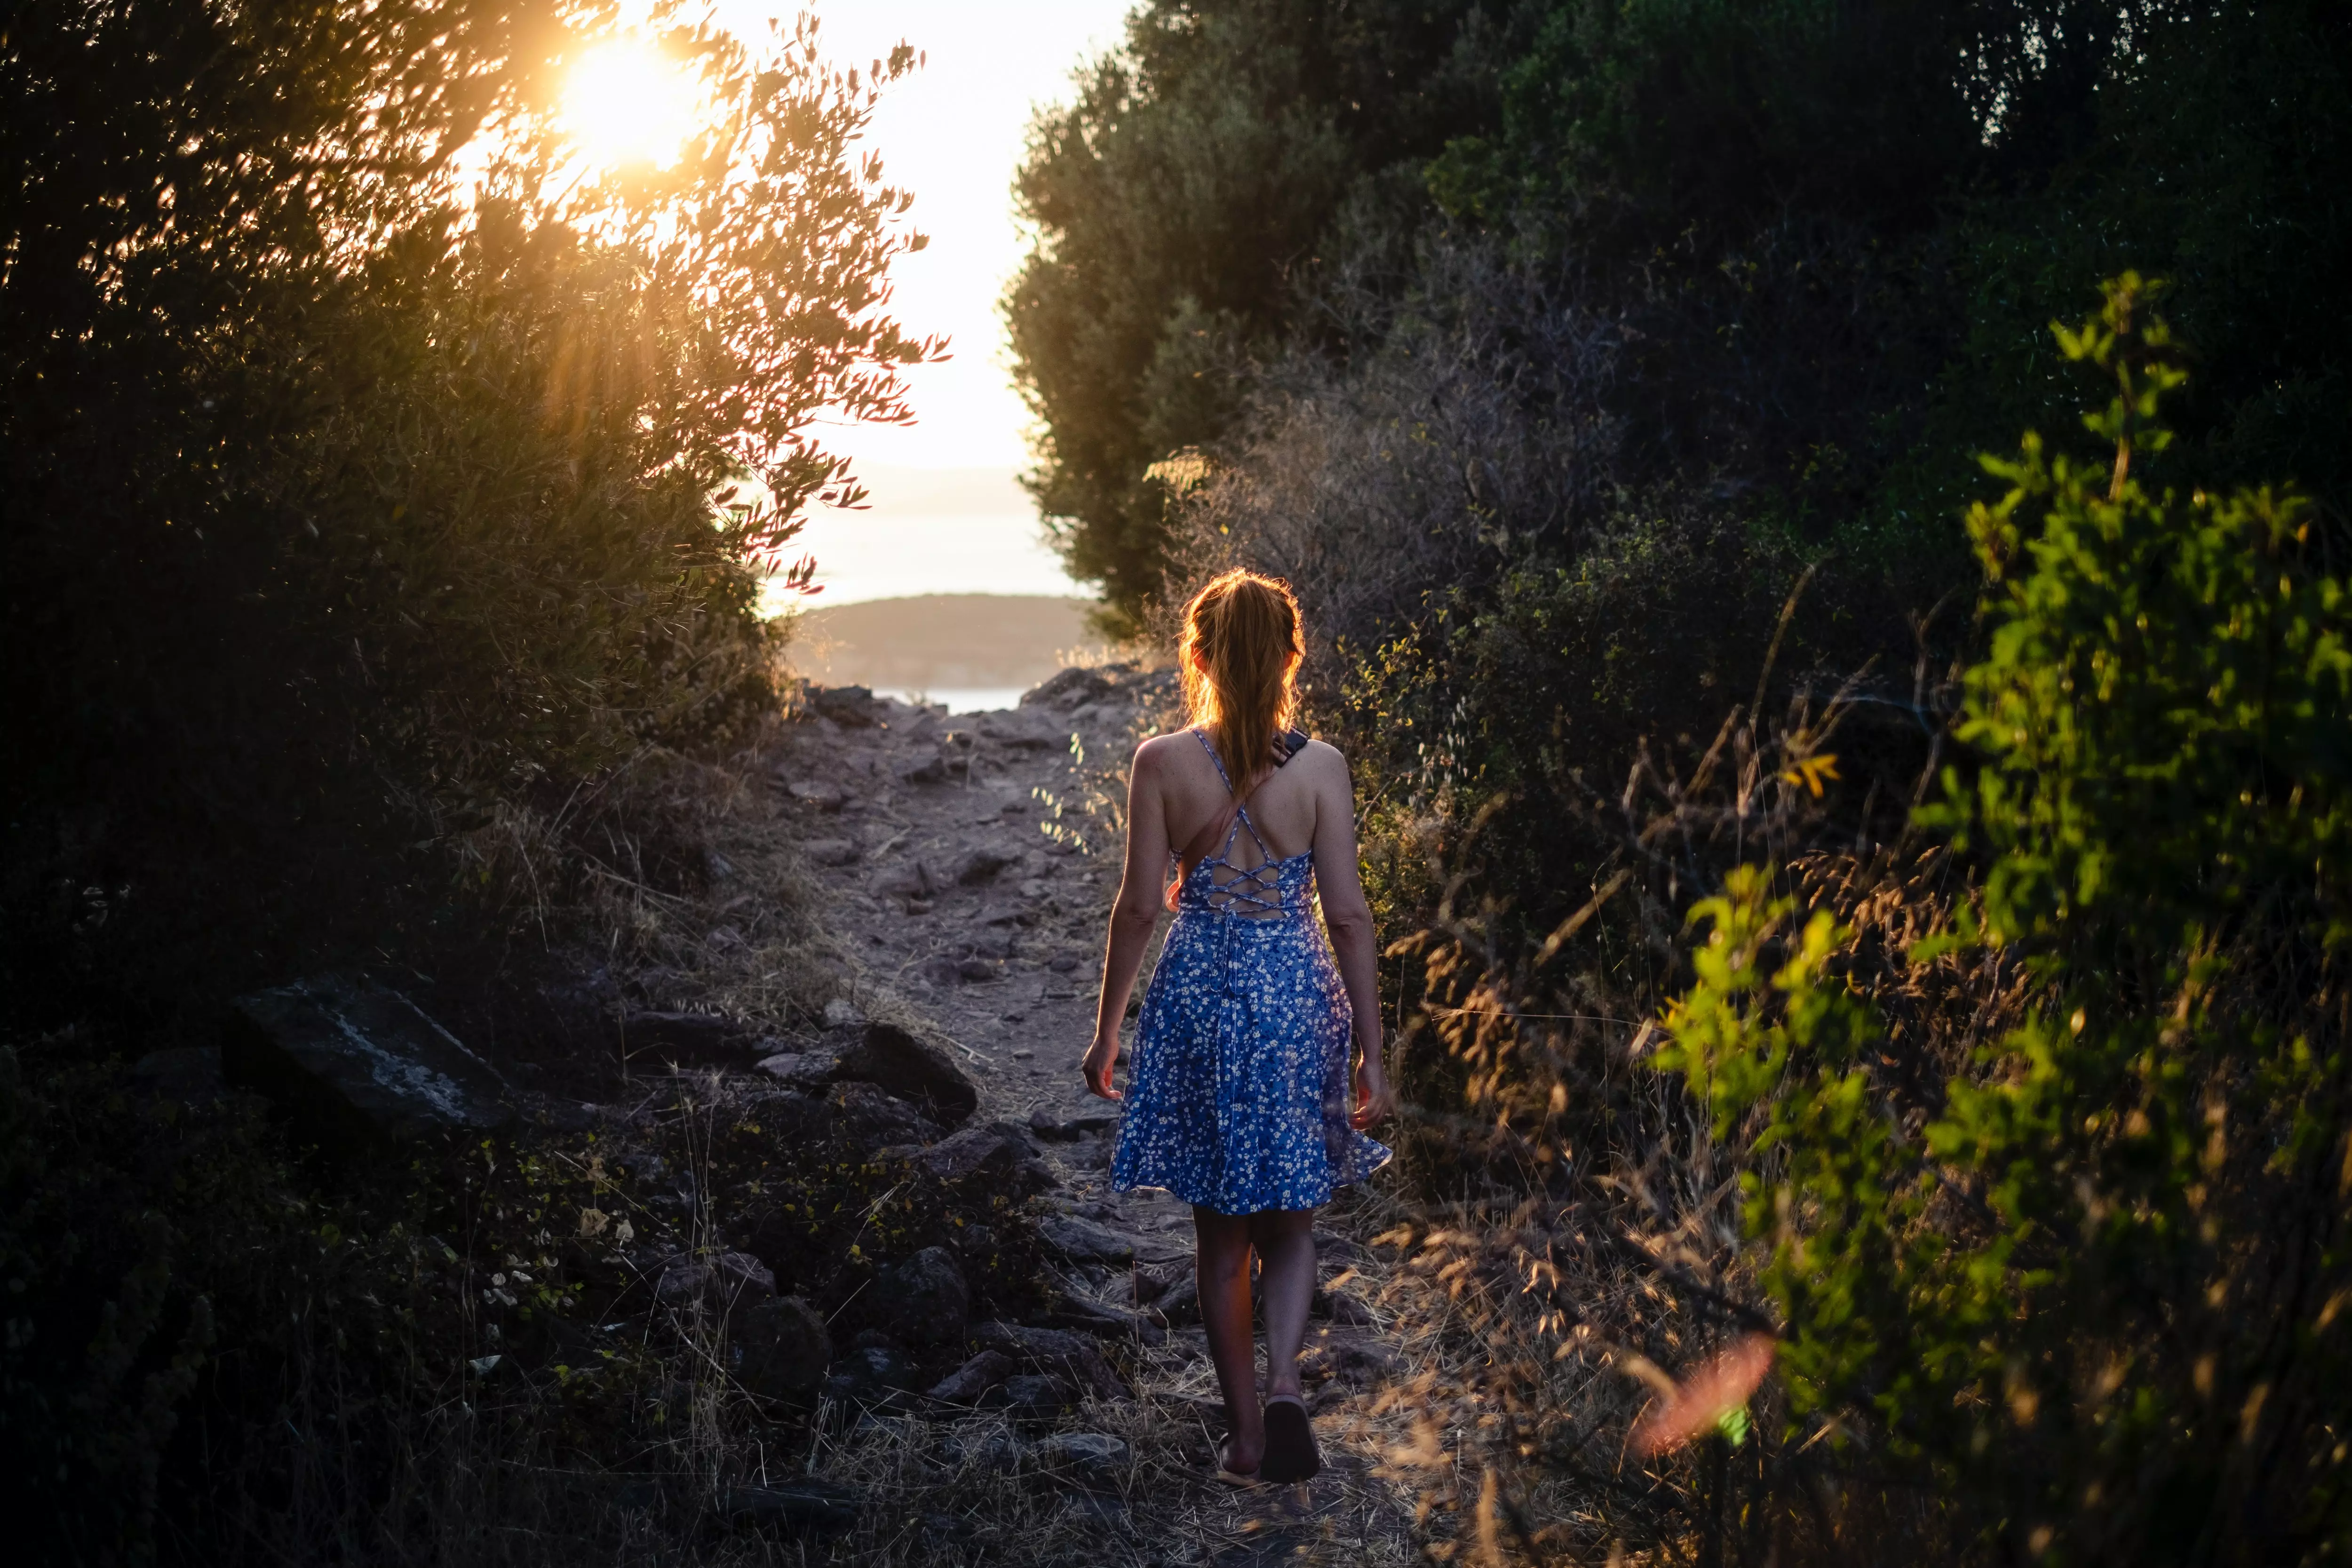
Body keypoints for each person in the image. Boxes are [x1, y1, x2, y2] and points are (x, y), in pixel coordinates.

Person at [1082, 568, 1395, 1488]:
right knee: (1291, 1218)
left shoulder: (1160, 762)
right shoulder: (1323, 767)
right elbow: (1348, 917)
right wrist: (1376, 1050)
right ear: (1293, 655)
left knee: (1220, 1237)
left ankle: (1249, 1439)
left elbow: (1140, 907)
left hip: (1203, 1003)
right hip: (1298, 999)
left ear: (1199, 655)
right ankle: (1289, 1377)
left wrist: (1107, 1031)